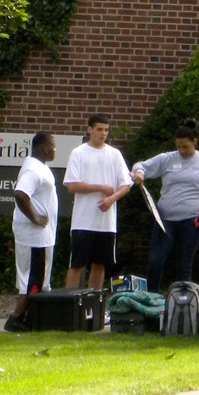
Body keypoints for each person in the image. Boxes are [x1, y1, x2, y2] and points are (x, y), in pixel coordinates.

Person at [131, 118, 199, 293]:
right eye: (179, 147)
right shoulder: (167, 159)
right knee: (155, 261)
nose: (182, 150)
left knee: (184, 263)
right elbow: (139, 166)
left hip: (192, 221)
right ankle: (151, 298)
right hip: (166, 220)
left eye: (186, 147)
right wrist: (140, 173)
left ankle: (183, 302)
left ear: (194, 141)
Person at [63, 113, 133, 290]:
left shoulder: (115, 154)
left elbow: (126, 184)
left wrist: (111, 198)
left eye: (106, 130)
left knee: (100, 264)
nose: (103, 133)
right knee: (77, 264)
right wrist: (100, 187)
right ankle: (70, 304)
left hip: (106, 224)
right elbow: (72, 185)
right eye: (99, 129)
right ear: (89, 130)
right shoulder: (78, 153)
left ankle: (94, 305)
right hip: (83, 221)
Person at [5, 131, 58, 333]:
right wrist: (34, 217)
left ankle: (32, 318)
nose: (55, 150)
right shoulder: (33, 170)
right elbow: (20, 194)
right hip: (35, 236)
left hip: (42, 236)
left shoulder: (40, 167)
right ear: (45, 149)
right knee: (32, 279)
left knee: (39, 279)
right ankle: (17, 318)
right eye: (53, 147)